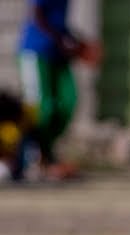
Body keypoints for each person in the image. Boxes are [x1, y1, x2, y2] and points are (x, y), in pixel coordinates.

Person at [15, 0, 93, 182]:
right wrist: (61, 41)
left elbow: (59, 23)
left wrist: (77, 43)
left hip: (58, 55)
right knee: (40, 108)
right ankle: (28, 159)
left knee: (67, 101)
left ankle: (46, 155)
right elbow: (37, 14)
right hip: (36, 50)